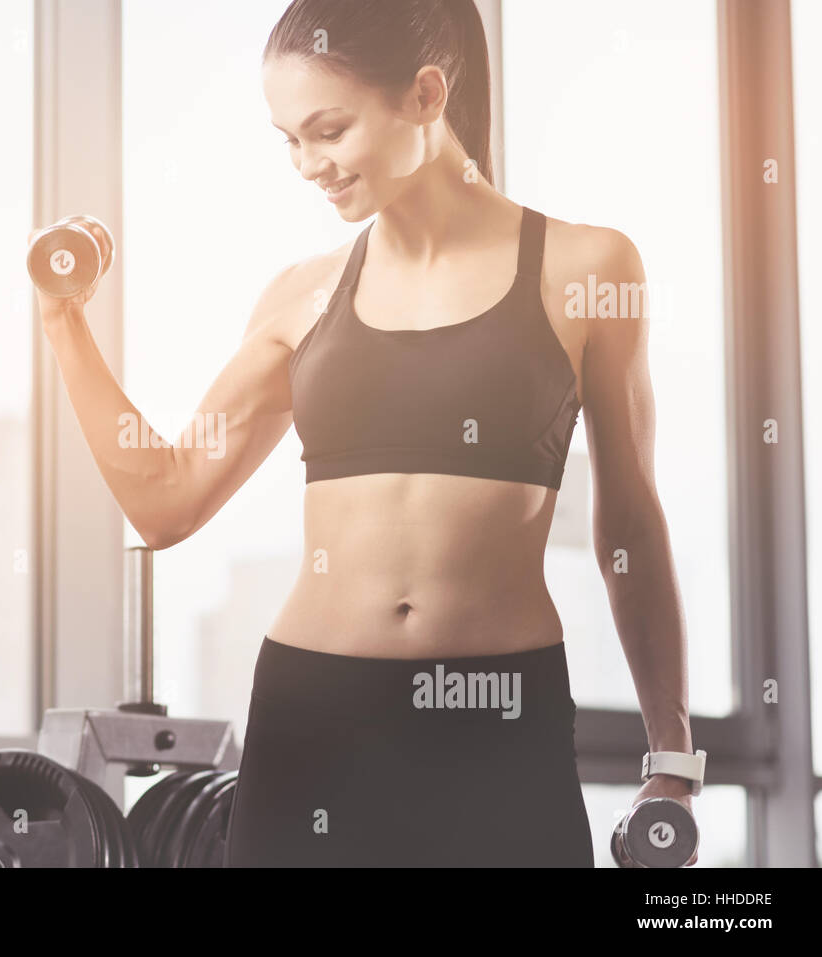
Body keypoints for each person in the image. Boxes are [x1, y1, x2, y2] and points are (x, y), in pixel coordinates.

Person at [34, 0, 699, 866]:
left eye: (329, 130)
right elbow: (165, 501)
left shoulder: (588, 269)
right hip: (314, 720)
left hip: (497, 720)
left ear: (426, 95)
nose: (309, 164)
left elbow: (632, 528)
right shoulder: (300, 295)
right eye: (289, 139)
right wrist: (62, 320)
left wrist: (672, 756)